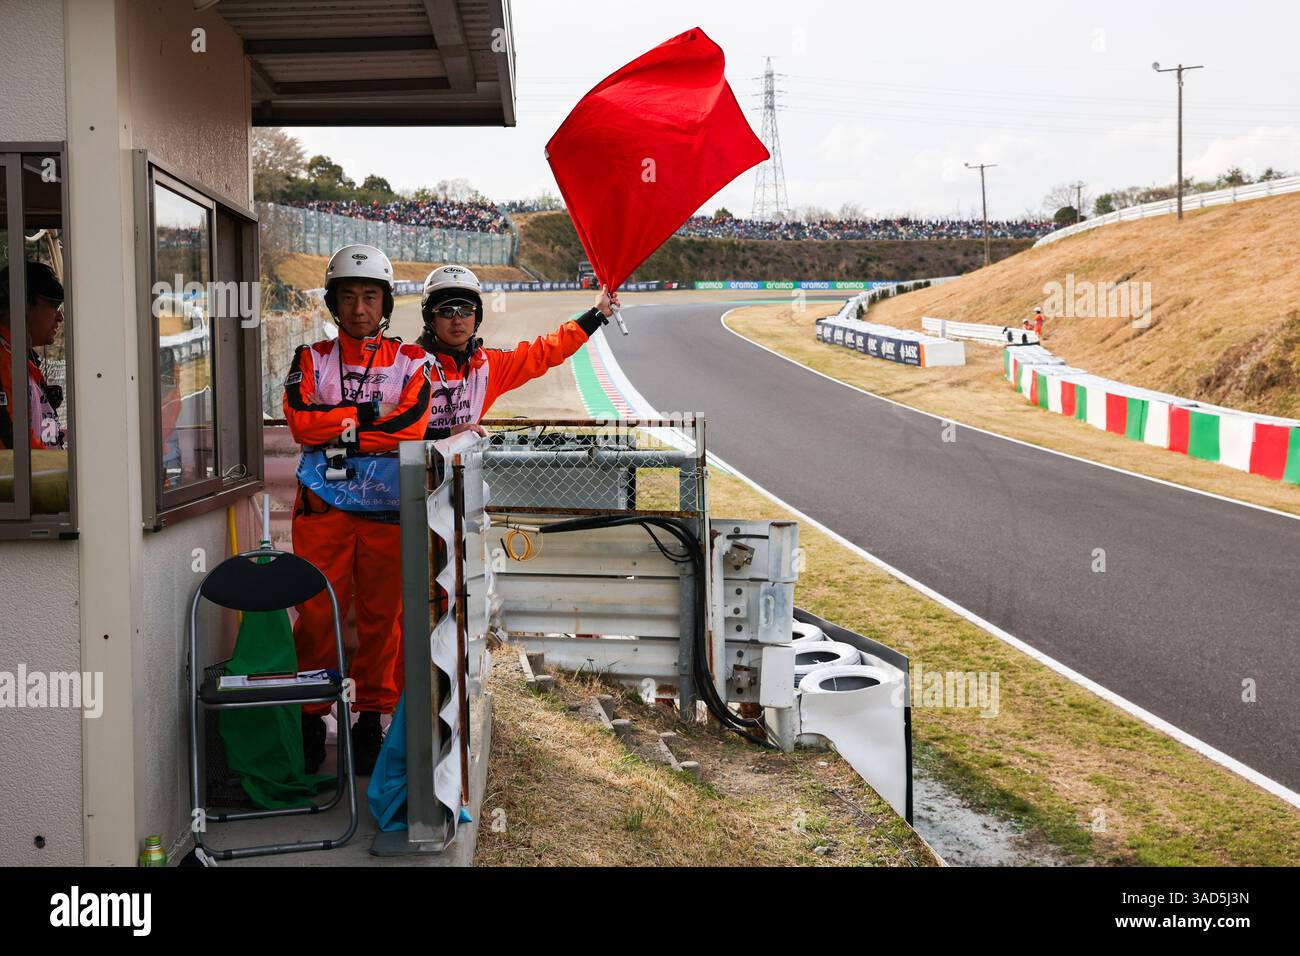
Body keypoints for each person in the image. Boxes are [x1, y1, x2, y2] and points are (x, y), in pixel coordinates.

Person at [282, 244, 432, 775]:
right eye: (349, 297)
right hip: (322, 508)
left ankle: (371, 716)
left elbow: (410, 426)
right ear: (333, 303)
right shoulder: (309, 358)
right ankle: (307, 713)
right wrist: (371, 413)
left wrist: (339, 425)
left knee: (381, 619)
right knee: (317, 615)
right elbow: (301, 422)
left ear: (386, 302)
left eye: (370, 296)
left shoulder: (414, 361)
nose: (360, 308)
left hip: (389, 511)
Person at [416, 264, 618, 440]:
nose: (458, 320)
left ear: (477, 316)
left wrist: (596, 315)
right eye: (447, 311)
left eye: (466, 310)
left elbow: (545, 351)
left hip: (462, 474)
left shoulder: (488, 365)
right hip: (405, 475)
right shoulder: (406, 365)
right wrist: (446, 435)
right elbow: (388, 429)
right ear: (430, 318)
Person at [0, 261, 66, 450]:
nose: (60, 317)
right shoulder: (5, 361)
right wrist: (63, 468)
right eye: (54, 305)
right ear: (22, 305)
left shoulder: (18, 357)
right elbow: (15, 442)